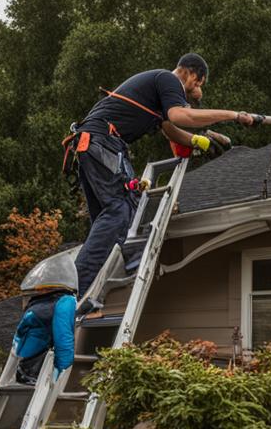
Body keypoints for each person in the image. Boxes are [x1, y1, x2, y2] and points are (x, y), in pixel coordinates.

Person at [63, 53, 257, 294]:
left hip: (89, 145)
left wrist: (199, 141)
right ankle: (73, 291)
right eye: (198, 84)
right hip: (104, 143)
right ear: (192, 74)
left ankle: (85, 290)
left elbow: (171, 129)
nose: (196, 92)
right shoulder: (168, 79)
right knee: (121, 210)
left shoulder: (154, 95)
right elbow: (180, 116)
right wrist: (233, 115)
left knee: (106, 223)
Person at [13, 252, 79, 385]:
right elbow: (63, 339)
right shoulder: (65, 301)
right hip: (35, 371)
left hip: (23, 365)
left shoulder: (37, 303)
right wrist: (63, 373)